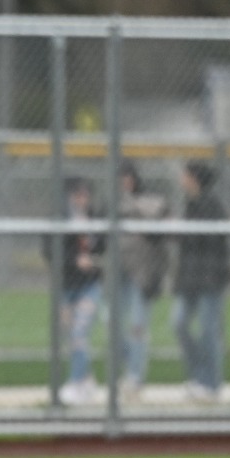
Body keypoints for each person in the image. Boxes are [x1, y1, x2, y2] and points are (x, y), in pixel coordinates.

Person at [172, 160, 230, 403]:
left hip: (209, 277)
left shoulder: (211, 205)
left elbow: (212, 242)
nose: (181, 179)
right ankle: (199, 375)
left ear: (194, 178)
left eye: (185, 174)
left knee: (209, 331)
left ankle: (210, 384)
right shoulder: (190, 204)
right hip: (189, 277)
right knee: (179, 323)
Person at [114, 163, 170, 401]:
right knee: (113, 326)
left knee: (137, 326)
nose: (124, 183)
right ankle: (129, 367)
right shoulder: (112, 204)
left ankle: (135, 377)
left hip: (142, 273)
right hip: (120, 273)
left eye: (127, 178)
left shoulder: (150, 201)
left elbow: (160, 230)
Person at [51, 177, 106, 405]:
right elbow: (50, 251)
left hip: (90, 284)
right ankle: (87, 379)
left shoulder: (94, 217)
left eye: (86, 195)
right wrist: (75, 259)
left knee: (79, 332)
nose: (83, 199)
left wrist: (91, 240)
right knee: (71, 335)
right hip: (66, 284)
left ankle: (76, 383)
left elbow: (103, 246)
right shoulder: (60, 218)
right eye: (79, 195)